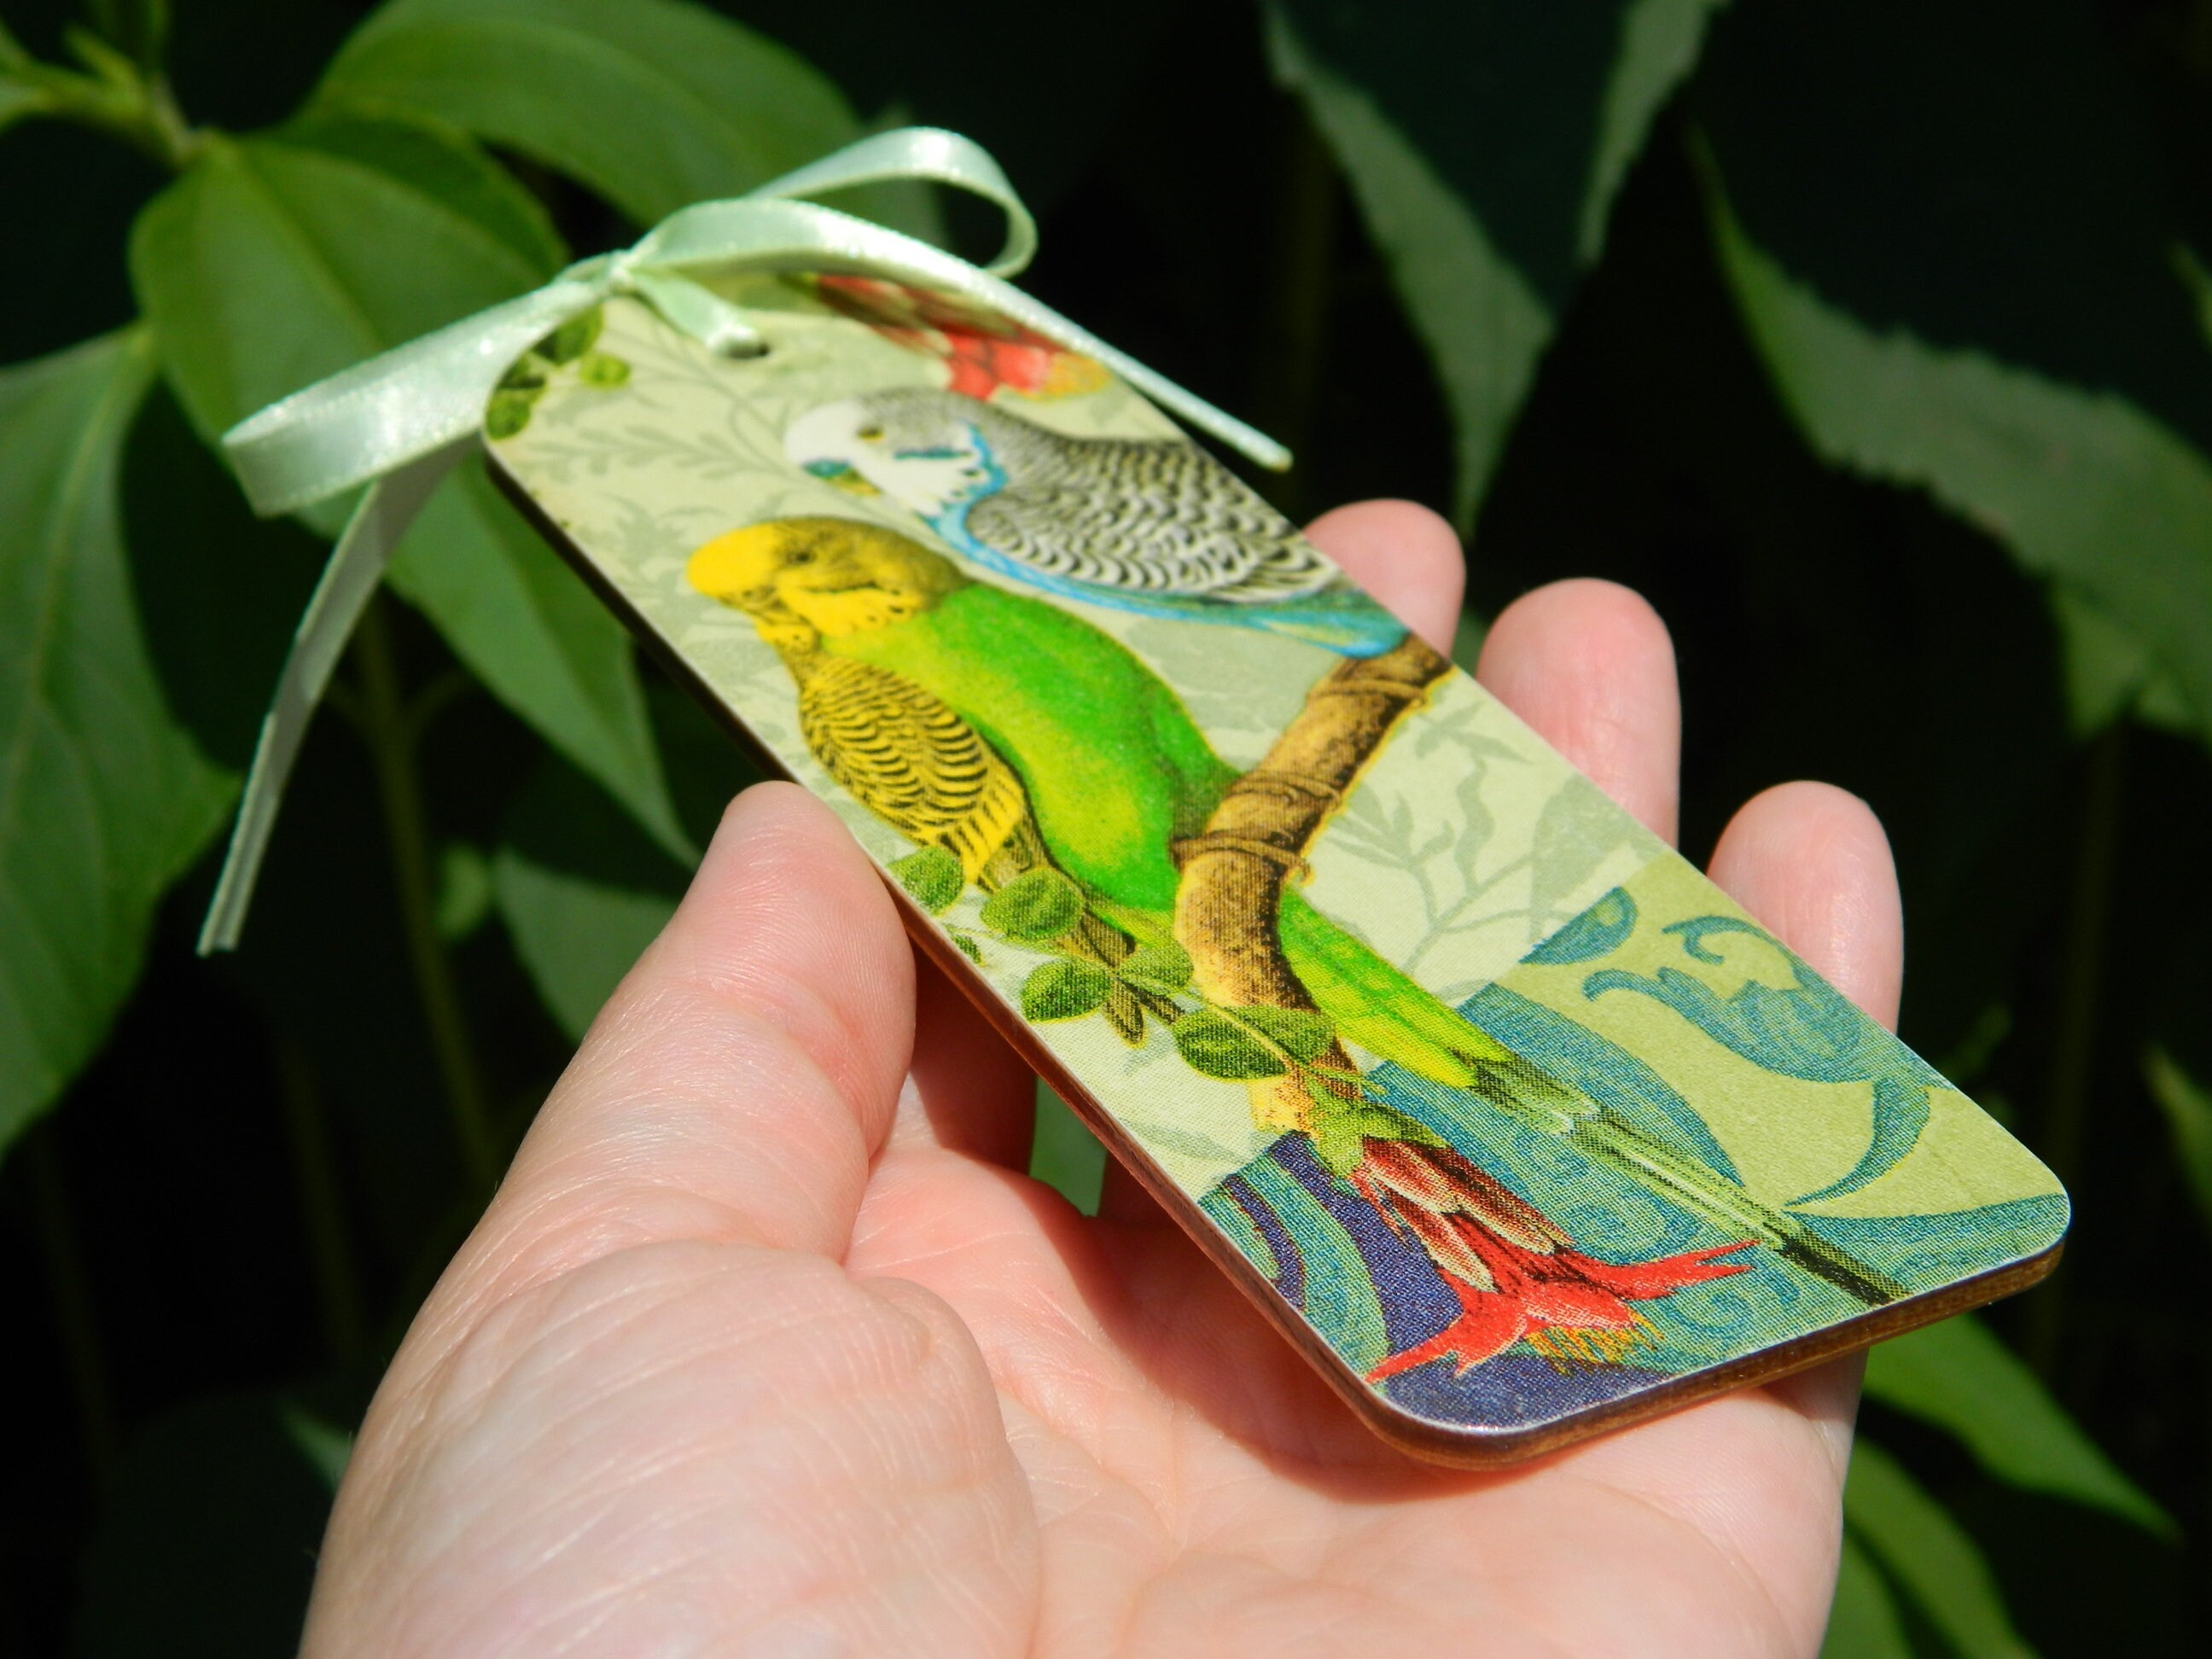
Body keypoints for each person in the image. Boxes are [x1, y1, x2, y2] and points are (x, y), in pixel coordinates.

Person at [294, 502, 1894, 1657]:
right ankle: (1621, 1219)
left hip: (1225, 849)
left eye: (809, 550)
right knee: (1438, 1068)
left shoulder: (1007, 609)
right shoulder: (855, 699)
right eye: (781, 581)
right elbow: (1005, 855)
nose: (816, 577)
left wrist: (1251, 822)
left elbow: (1156, 727)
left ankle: (1686, 1215)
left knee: (1471, 1053)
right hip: (1138, 922)